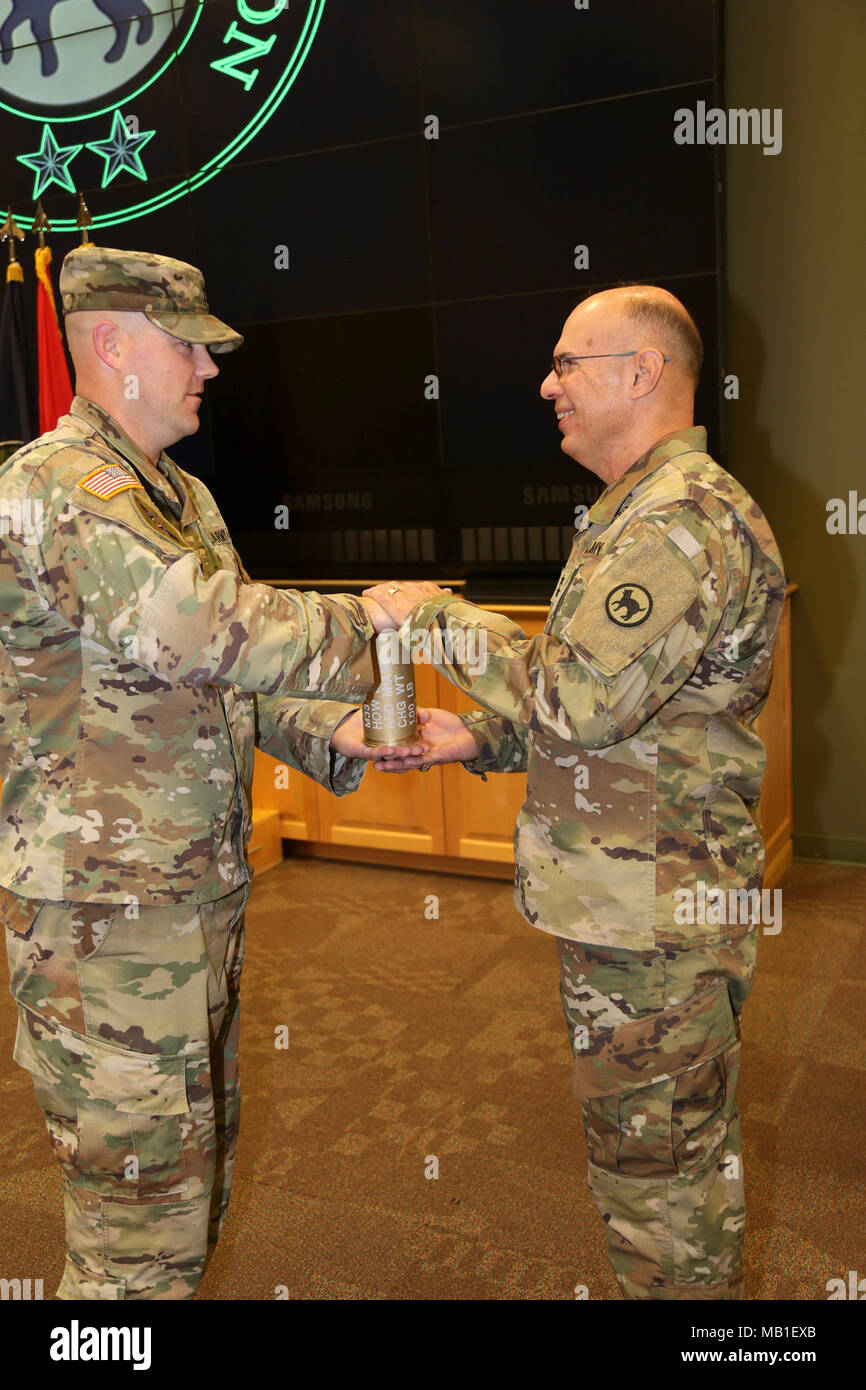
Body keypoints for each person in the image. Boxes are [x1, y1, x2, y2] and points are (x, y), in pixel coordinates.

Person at [0, 244, 444, 1300]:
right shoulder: (55, 486)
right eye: (189, 345)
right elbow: (191, 626)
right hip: (105, 918)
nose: (208, 369)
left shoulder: (180, 497)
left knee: (190, 1195)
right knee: (131, 1237)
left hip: (186, 897)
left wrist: (335, 731)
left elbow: (229, 680)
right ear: (111, 344)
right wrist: (364, 621)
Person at [363, 285, 787, 1301]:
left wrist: (431, 620)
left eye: (567, 364)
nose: (544, 385)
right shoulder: (637, 513)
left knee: (665, 1190)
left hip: (656, 916)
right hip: (629, 898)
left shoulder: (675, 524)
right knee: (640, 1164)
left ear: (640, 374)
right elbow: (614, 705)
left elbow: (581, 696)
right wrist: (474, 732)